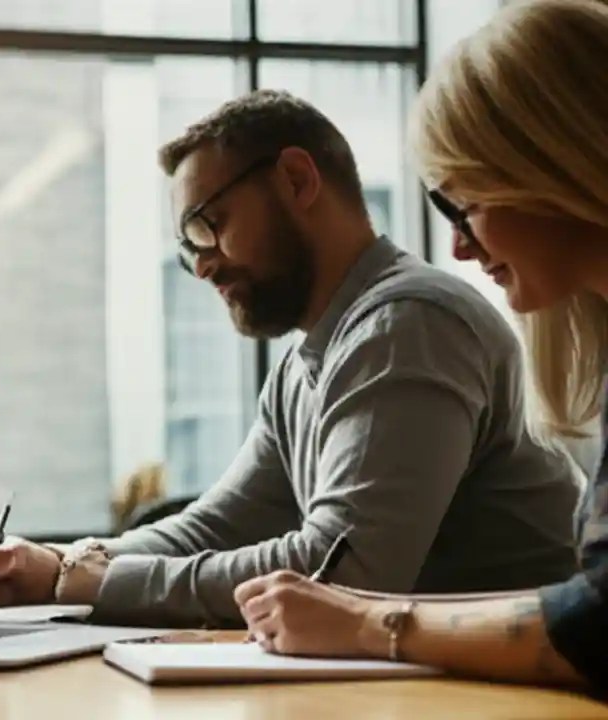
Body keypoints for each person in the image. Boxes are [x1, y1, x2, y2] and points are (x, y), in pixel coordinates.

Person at [0, 89, 582, 629]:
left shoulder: (406, 324)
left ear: (298, 180)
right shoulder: (312, 360)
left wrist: (88, 582)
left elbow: (341, 571)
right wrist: (57, 564)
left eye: (207, 224)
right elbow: (213, 526)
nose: (200, 265)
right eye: (188, 245)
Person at [233, 0, 607, 695]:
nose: (459, 245)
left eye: (461, 204)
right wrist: (78, 568)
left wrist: (366, 623)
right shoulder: (300, 367)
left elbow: (598, 627)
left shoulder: (410, 322)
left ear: (550, 167)